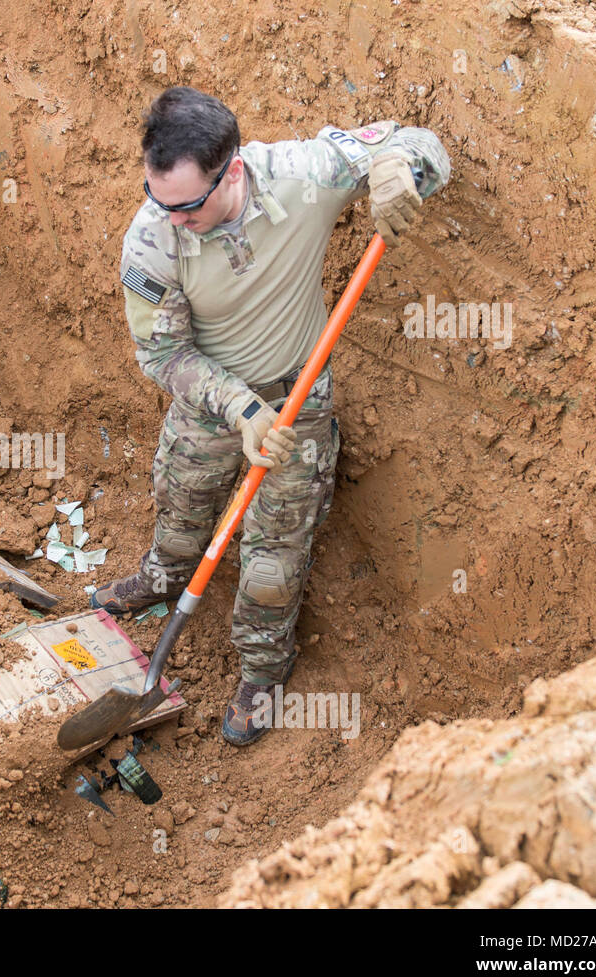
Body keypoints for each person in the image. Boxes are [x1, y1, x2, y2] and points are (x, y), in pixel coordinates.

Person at [91, 86, 450, 746]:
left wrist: (401, 170)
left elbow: (416, 141)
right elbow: (164, 354)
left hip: (297, 400)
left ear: (231, 172)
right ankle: (165, 578)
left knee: (272, 560)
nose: (170, 218)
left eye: (186, 206)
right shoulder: (153, 241)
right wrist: (240, 408)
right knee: (180, 497)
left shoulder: (303, 175)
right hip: (213, 399)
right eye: (159, 201)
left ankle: (262, 669)